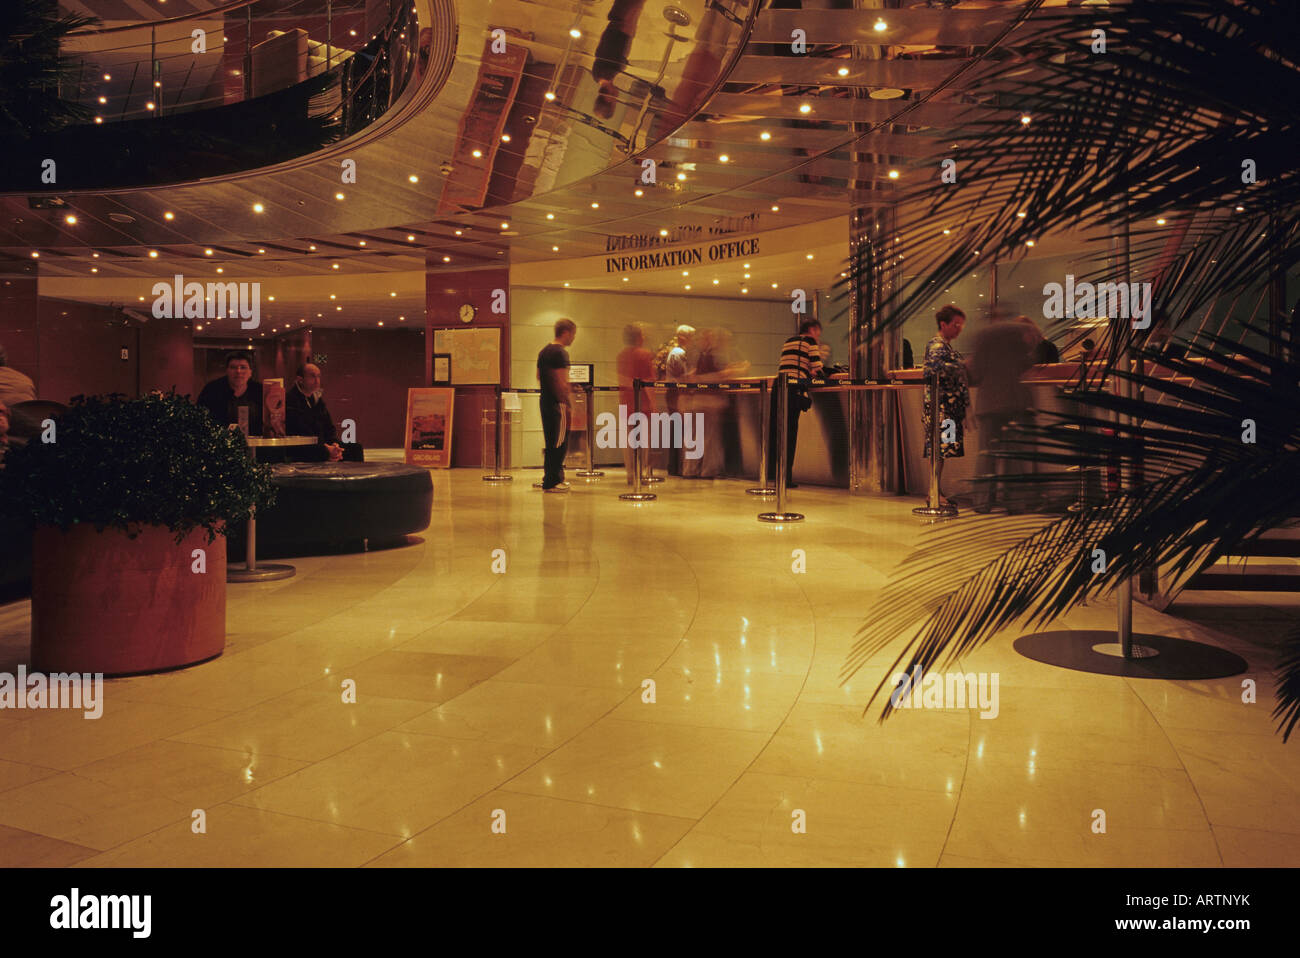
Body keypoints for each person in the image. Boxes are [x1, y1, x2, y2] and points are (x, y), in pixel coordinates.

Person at [969, 313, 1034, 513]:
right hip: (1014, 401)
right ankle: (1015, 503)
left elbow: (975, 372)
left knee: (986, 454)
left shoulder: (980, 336)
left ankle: (982, 503)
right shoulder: (1016, 333)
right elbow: (1029, 362)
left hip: (989, 403)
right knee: (1014, 454)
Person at [685, 327, 749, 479]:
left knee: (696, 437)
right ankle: (708, 470)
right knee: (710, 439)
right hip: (710, 401)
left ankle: (690, 469)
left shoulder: (700, 355)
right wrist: (736, 370)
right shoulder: (712, 355)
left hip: (698, 400)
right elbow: (717, 376)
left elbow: (696, 376)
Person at [922, 305, 970, 505]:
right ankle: (933, 492)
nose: (959, 329)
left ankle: (935, 490)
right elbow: (934, 371)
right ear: (944, 324)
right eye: (955, 324)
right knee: (939, 449)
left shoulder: (946, 346)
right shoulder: (937, 346)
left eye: (961, 325)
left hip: (947, 409)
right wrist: (963, 365)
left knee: (942, 449)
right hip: (942, 409)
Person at [768, 318, 823, 489]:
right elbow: (817, 368)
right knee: (790, 432)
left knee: (778, 431)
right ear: (813, 329)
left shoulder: (789, 341)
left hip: (779, 385)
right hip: (793, 388)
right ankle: (786, 477)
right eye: (818, 331)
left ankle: (774, 474)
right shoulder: (810, 341)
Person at [284, 362, 364, 462]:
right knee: (321, 452)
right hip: (304, 446)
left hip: (321, 444)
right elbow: (302, 430)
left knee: (355, 449)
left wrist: (335, 445)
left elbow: (329, 427)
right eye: (313, 376)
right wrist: (326, 448)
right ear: (300, 380)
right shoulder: (290, 399)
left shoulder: (317, 399)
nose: (317, 381)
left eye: (318, 376)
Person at [538, 318, 577, 491]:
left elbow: (539, 376)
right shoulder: (560, 353)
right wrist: (567, 403)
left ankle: (550, 477)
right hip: (558, 403)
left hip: (545, 400)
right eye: (573, 334)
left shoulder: (544, 351)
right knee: (559, 442)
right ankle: (553, 481)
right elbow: (562, 381)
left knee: (550, 440)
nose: (573, 338)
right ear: (566, 333)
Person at [616, 322, 655, 485]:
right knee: (644, 440)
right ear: (639, 337)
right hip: (642, 403)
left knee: (628, 440)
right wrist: (653, 404)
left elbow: (621, 379)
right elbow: (648, 381)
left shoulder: (621, 355)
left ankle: (630, 473)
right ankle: (642, 472)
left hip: (626, 401)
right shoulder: (645, 354)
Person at [656, 325, 695, 475]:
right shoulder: (679, 353)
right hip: (677, 394)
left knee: (675, 429)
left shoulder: (674, 353)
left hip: (672, 393)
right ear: (684, 338)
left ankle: (674, 465)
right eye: (692, 337)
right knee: (678, 430)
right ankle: (676, 465)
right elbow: (683, 376)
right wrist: (696, 372)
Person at [196, 351, 263, 435]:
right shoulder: (212, 390)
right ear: (227, 370)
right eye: (233, 367)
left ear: (250, 372)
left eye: (243, 367)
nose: (238, 371)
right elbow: (200, 419)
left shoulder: (260, 391)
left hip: (255, 443)